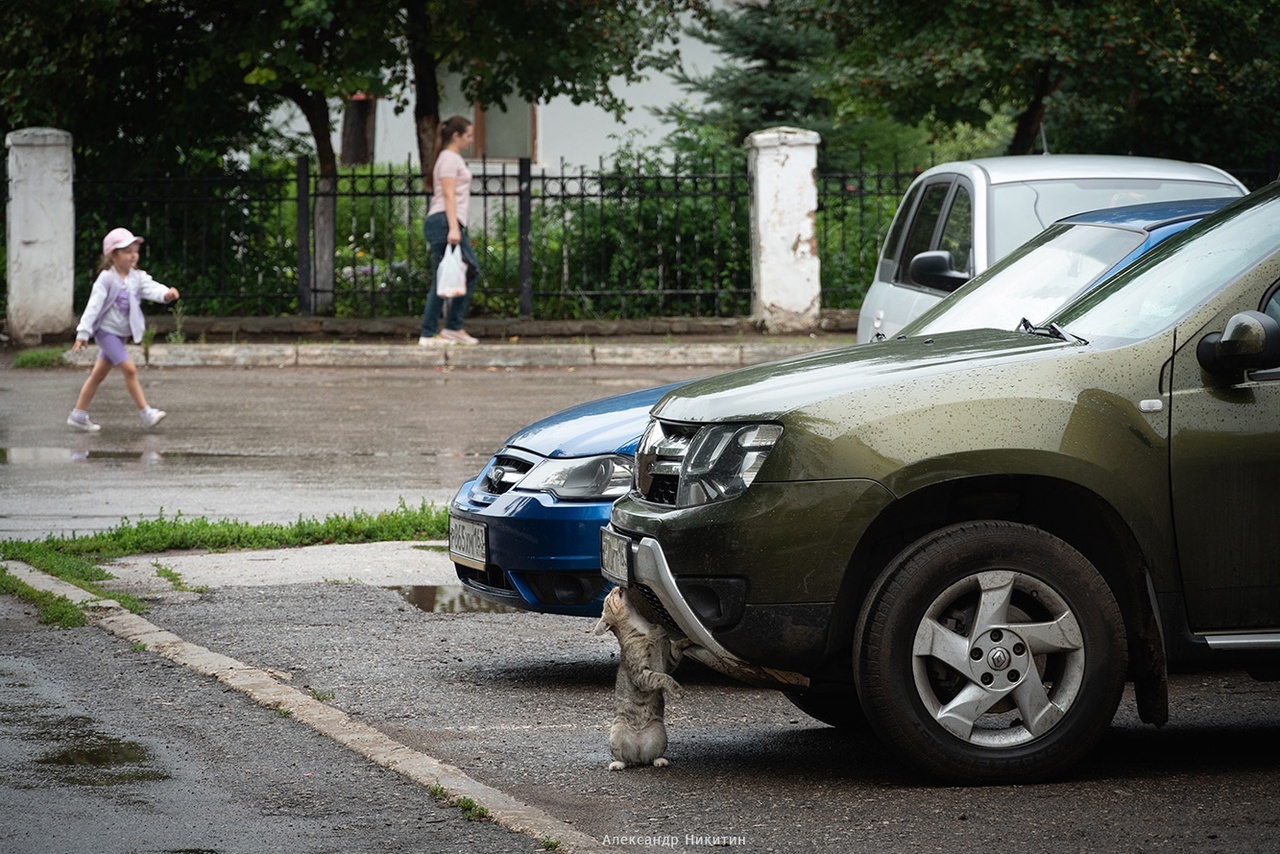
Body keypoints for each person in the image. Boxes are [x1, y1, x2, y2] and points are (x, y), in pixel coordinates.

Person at [67, 227, 181, 432]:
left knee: (97, 375)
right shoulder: (106, 279)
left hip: (121, 334)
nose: (133, 255)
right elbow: (93, 306)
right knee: (130, 369)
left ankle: (78, 414)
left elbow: (152, 287)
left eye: (134, 251)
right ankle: (146, 413)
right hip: (105, 332)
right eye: (127, 251)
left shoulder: (135, 277)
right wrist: (83, 333)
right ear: (113, 255)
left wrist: (166, 294)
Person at [419, 115, 481, 346]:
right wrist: (454, 228)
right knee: (454, 274)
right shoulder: (448, 160)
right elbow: (447, 195)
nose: (471, 141)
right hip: (444, 221)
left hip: (447, 221)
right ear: (456, 136)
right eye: (468, 136)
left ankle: (452, 327)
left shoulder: (451, 159)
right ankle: (429, 333)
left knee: (467, 271)